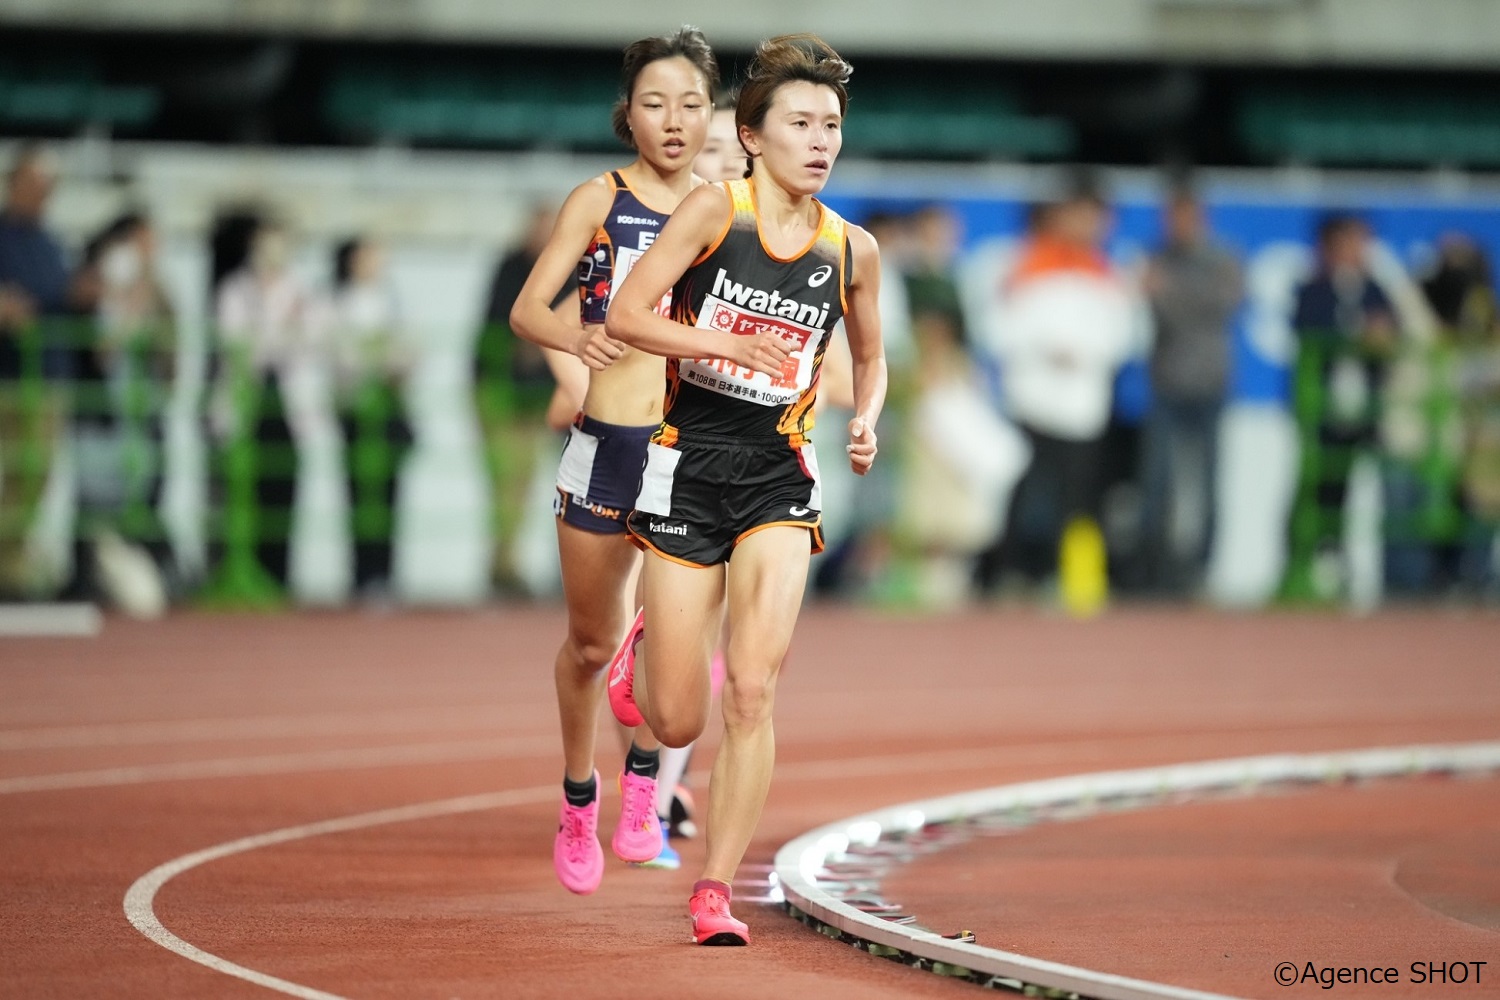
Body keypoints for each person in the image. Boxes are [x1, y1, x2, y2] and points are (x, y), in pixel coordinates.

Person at [604, 32, 886, 946]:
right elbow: (628, 314)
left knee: (754, 691)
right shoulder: (712, 216)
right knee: (675, 713)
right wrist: (726, 344)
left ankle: (713, 889)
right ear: (753, 136)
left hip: (779, 476)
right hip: (687, 465)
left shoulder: (854, 250)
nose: (821, 140)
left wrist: (866, 416)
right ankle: (638, 656)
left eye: (833, 125)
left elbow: (871, 358)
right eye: (801, 122)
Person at [508, 25, 719, 894]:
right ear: (626, 115)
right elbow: (528, 309)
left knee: (675, 649)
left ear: (715, 118)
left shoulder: (727, 209)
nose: (674, 121)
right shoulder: (599, 199)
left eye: (692, 105)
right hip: (605, 450)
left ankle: (642, 796)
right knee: (593, 647)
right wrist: (579, 335)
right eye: (655, 104)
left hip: (690, 454)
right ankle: (576, 798)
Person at [975, 186, 1136, 607]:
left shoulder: (1105, 272)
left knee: (1078, 495)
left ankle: (1069, 577)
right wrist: (1044, 349)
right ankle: (1010, 574)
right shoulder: (1024, 264)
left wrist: (1086, 353)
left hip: (1083, 402)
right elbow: (998, 328)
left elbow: (1125, 333)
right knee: (1021, 490)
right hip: (1031, 398)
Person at [1284, 213, 1398, 601]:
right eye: (1348, 242)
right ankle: (1315, 565)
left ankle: (1380, 571)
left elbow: (1396, 335)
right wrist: (1354, 336)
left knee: (1381, 488)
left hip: (1369, 407)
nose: (1357, 251)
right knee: (1320, 488)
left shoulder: (1378, 290)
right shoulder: (1312, 289)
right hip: (1325, 407)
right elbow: (1307, 330)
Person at [1138, 185, 1243, 596]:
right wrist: (1164, 295)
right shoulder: (1156, 256)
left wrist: (1167, 292)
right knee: (1157, 482)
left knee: (1208, 483)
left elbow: (1220, 306)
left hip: (1210, 383)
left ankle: (1200, 571)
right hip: (1165, 382)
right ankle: (1155, 572)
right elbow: (1153, 306)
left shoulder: (1222, 258)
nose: (1176, 226)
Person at [325, 236, 413, 602]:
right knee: (359, 493)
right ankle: (361, 574)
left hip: (388, 406)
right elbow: (340, 356)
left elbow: (408, 350)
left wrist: (394, 363)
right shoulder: (338, 303)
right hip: (357, 408)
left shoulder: (391, 301)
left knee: (390, 492)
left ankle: (384, 573)